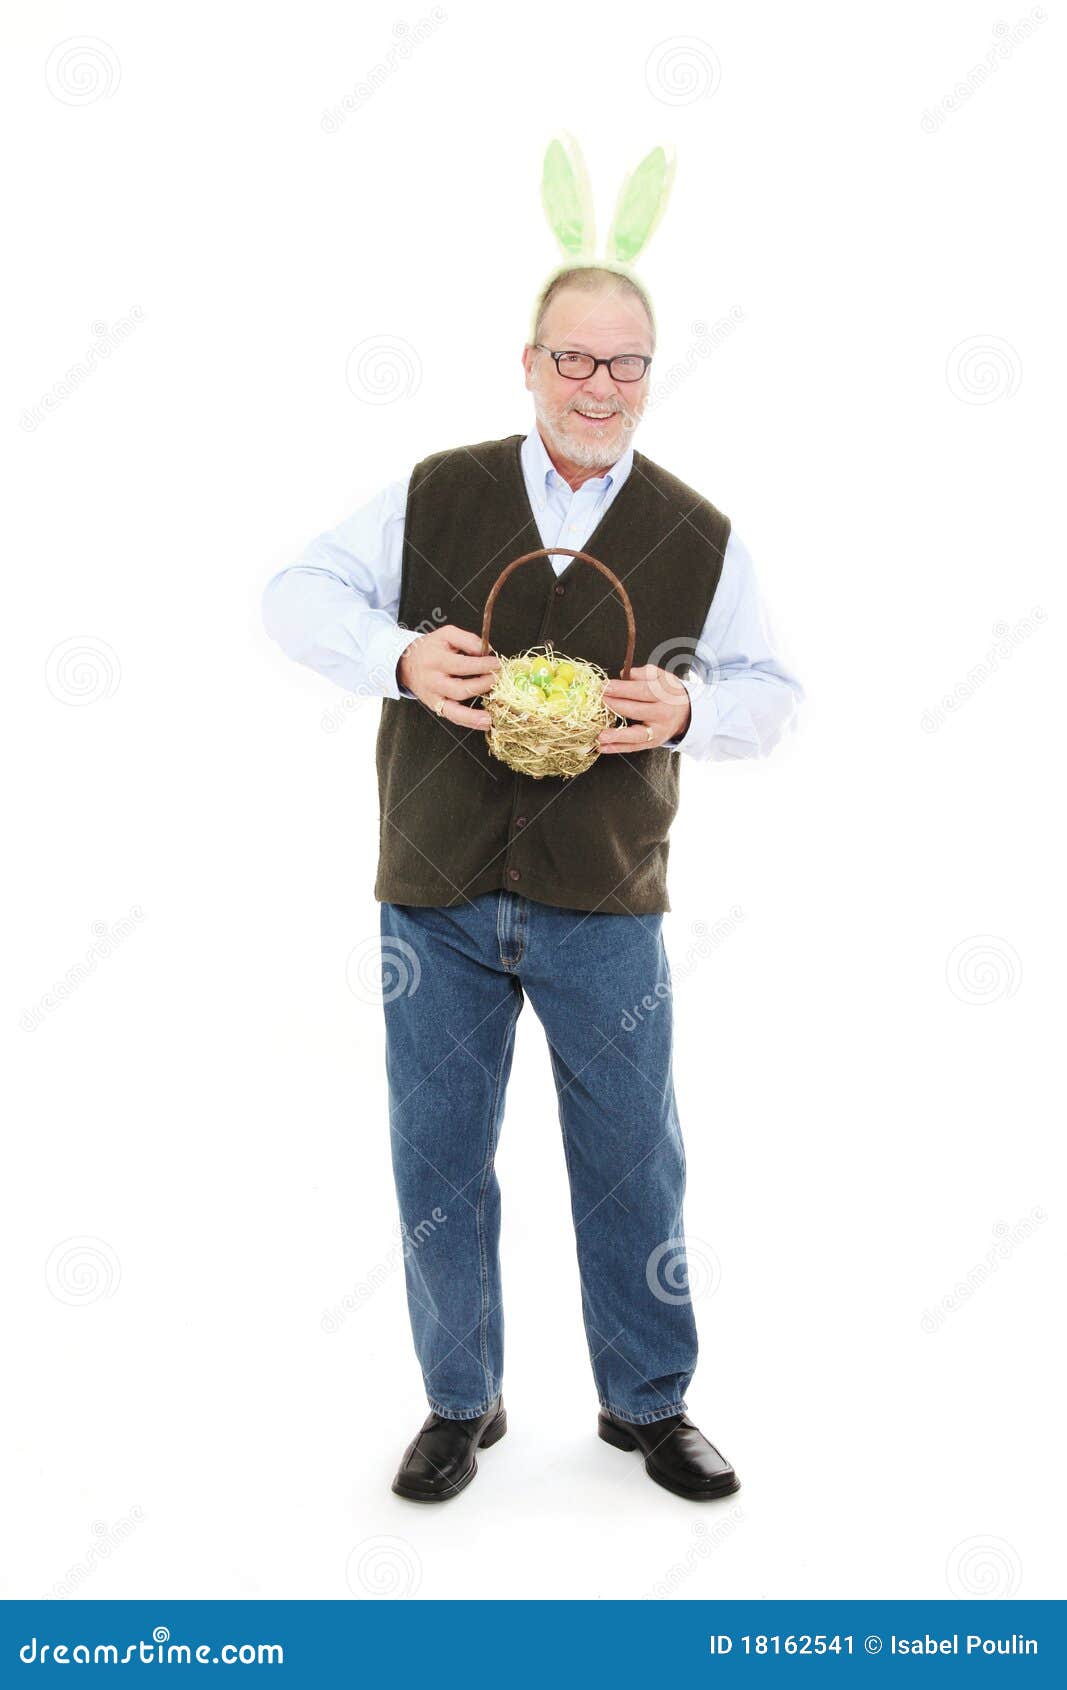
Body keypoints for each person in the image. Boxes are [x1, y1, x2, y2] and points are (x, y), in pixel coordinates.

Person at [263, 264, 803, 1503]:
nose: (596, 386)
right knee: (437, 1154)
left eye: (624, 364)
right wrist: (397, 654)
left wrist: (691, 706)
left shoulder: (698, 530)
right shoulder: (432, 492)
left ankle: (646, 1403)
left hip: (605, 896)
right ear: (528, 363)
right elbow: (292, 596)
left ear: (650, 376)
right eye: (573, 358)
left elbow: (772, 695)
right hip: (436, 887)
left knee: (631, 1154)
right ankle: (460, 1400)